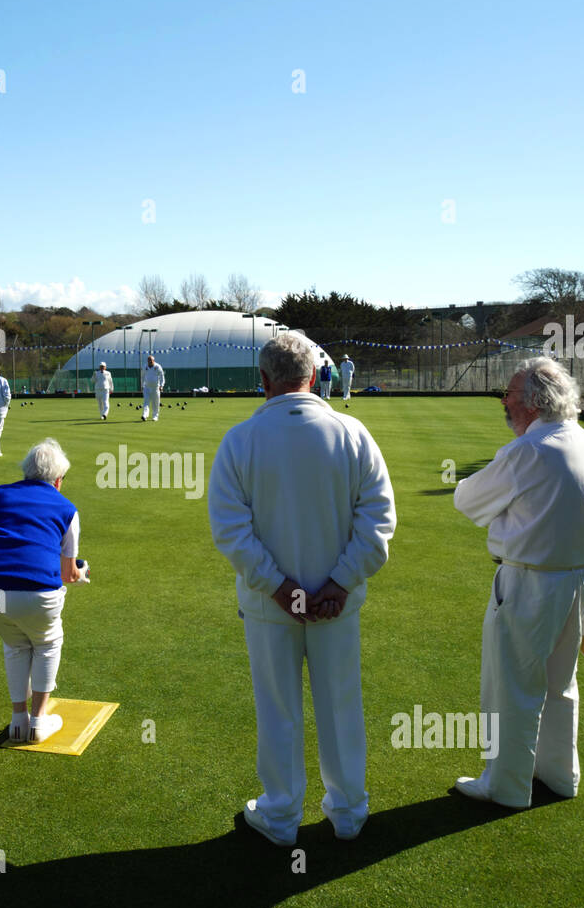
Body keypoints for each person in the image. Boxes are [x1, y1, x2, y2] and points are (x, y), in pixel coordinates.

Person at [208, 333, 396, 846]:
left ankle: (280, 815)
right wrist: (337, 583)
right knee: (341, 703)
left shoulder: (240, 440)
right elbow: (378, 523)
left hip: (271, 607)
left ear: (263, 380)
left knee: (278, 708)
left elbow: (230, 530)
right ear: (314, 376)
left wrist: (280, 588)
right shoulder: (353, 433)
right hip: (337, 603)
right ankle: (349, 813)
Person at [451, 357, 584, 809]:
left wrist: (507, 507)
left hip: (530, 584)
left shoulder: (528, 451)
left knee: (512, 688)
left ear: (532, 403)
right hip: (578, 580)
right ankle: (560, 775)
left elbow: (467, 499)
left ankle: (505, 786)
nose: (504, 400)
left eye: (510, 392)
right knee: (561, 683)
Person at [0, 438, 85, 744]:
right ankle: (38, 721)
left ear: (27, 472)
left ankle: (19, 719)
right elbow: (69, 574)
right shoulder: (67, 507)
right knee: (47, 642)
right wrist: (81, 572)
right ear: (58, 480)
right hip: (34, 593)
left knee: (16, 644)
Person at [141, 355, 164, 421]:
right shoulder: (145, 367)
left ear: (153, 360)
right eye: (148, 360)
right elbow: (142, 376)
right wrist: (142, 385)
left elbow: (162, 376)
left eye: (151, 360)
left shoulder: (158, 366)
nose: (149, 361)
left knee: (156, 402)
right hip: (147, 387)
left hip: (155, 388)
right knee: (146, 402)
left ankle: (155, 416)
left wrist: (161, 385)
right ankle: (145, 415)